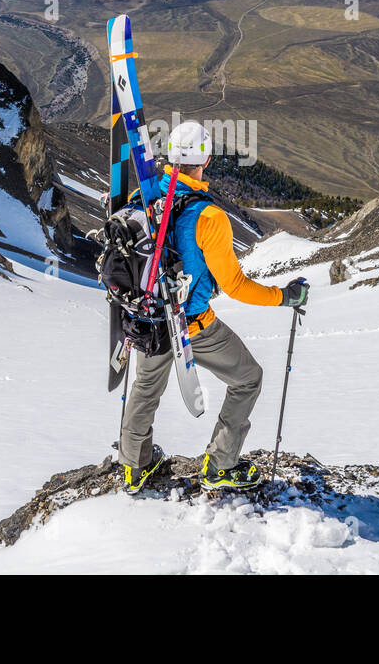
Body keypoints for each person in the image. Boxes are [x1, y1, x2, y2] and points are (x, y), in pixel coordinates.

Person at [120, 121, 310, 493]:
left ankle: (133, 467)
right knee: (248, 378)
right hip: (193, 324)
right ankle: (220, 464)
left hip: (150, 321)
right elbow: (235, 286)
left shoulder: (143, 198)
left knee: (145, 391)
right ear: (204, 158)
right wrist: (284, 296)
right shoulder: (208, 217)